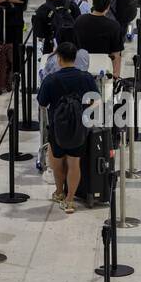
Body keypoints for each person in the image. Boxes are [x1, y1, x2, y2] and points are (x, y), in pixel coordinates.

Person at [37, 42, 99, 213]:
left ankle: (59, 192)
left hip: (57, 127)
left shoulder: (51, 79)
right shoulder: (86, 77)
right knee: (74, 162)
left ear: (59, 58)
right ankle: (70, 200)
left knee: (57, 162)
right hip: (79, 128)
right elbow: (97, 100)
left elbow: (42, 103)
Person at [73, 0, 123, 76]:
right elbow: (116, 54)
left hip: (81, 65)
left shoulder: (79, 20)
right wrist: (116, 75)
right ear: (108, 7)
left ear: (93, 3)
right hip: (103, 66)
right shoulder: (114, 26)